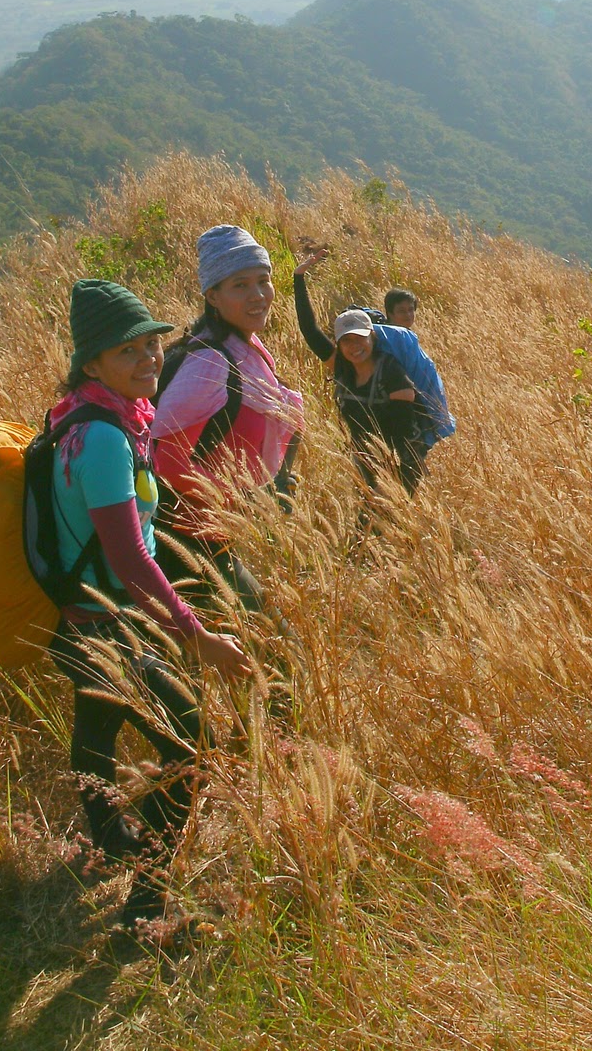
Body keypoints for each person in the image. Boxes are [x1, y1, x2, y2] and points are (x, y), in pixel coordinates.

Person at [48, 278, 250, 933]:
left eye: (151, 344)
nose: (148, 359)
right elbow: (131, 559)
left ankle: (110, 843)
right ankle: (146, 902)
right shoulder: (107, 438)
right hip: (112, 625)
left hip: (78, 621)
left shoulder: (78, 416)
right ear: (92, 364)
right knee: (193, 743)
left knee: (96, 731)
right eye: (127, 350)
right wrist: (198, 637)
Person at [151, 225, 303, 623]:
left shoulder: (248, 350)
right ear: (213, 296)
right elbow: (167, 463)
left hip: (215, 535)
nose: (258, 295)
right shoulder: (211, 363)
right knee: (273, 643)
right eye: (240, 285)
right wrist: (238, 500)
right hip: (187, 540)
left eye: (263, 280)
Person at [293, 249, 455, 497]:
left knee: (384, 517)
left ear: (373, 337)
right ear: (339, 344)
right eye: (347, 341)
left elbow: (404, 432)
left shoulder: (391, 372)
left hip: (399, 465)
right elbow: (310, 330)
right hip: (366, 462)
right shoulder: (341, 367)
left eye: (360, 338)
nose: (354, 346)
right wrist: (298, 278)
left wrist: (389, 480)